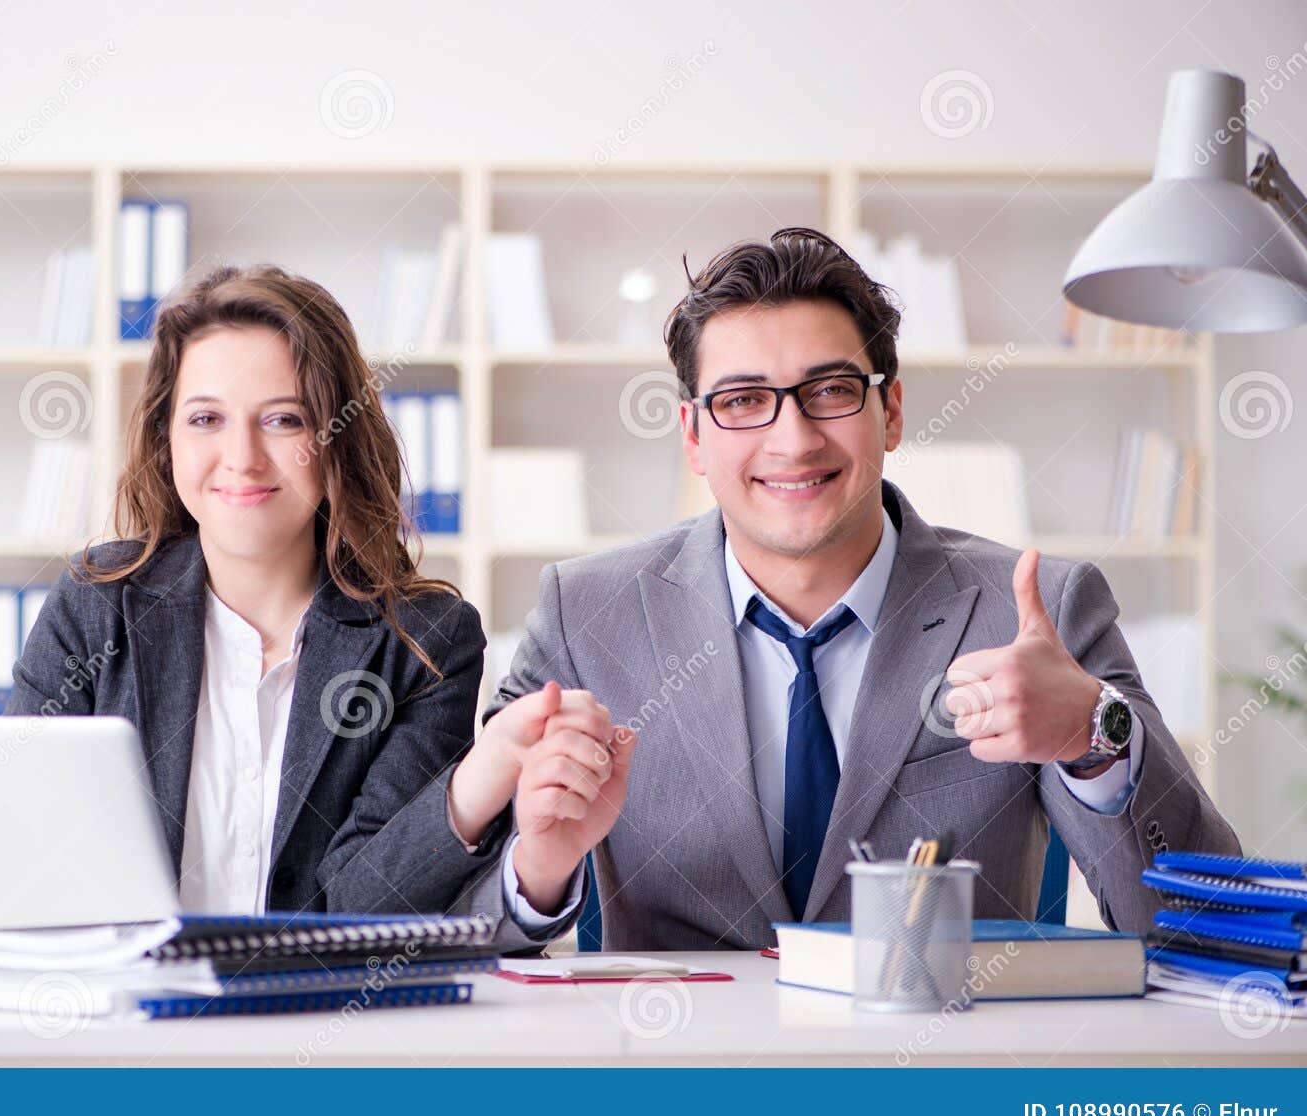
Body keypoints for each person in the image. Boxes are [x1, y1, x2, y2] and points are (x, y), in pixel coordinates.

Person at [481, 227, 1240, 950]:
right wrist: (538, 869)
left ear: (892, 411)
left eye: (832, 390)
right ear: (692, 436)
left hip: (941, 1065)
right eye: (744, 400)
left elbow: (1198, 924)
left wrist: (1095, 736)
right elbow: (453, 921)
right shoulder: (585, 616)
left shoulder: (1036, 610)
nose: (793, 438)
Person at [6, 263, 621, 922]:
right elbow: (19, 843)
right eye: (206, 418)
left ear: (336, 441)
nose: (241, 456)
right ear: (166, 440)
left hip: (325, 1016)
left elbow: (358, 908)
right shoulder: (96, 605)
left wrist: (487, 771)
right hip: (127, 1014)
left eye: (283, 420)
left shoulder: (423, 640)